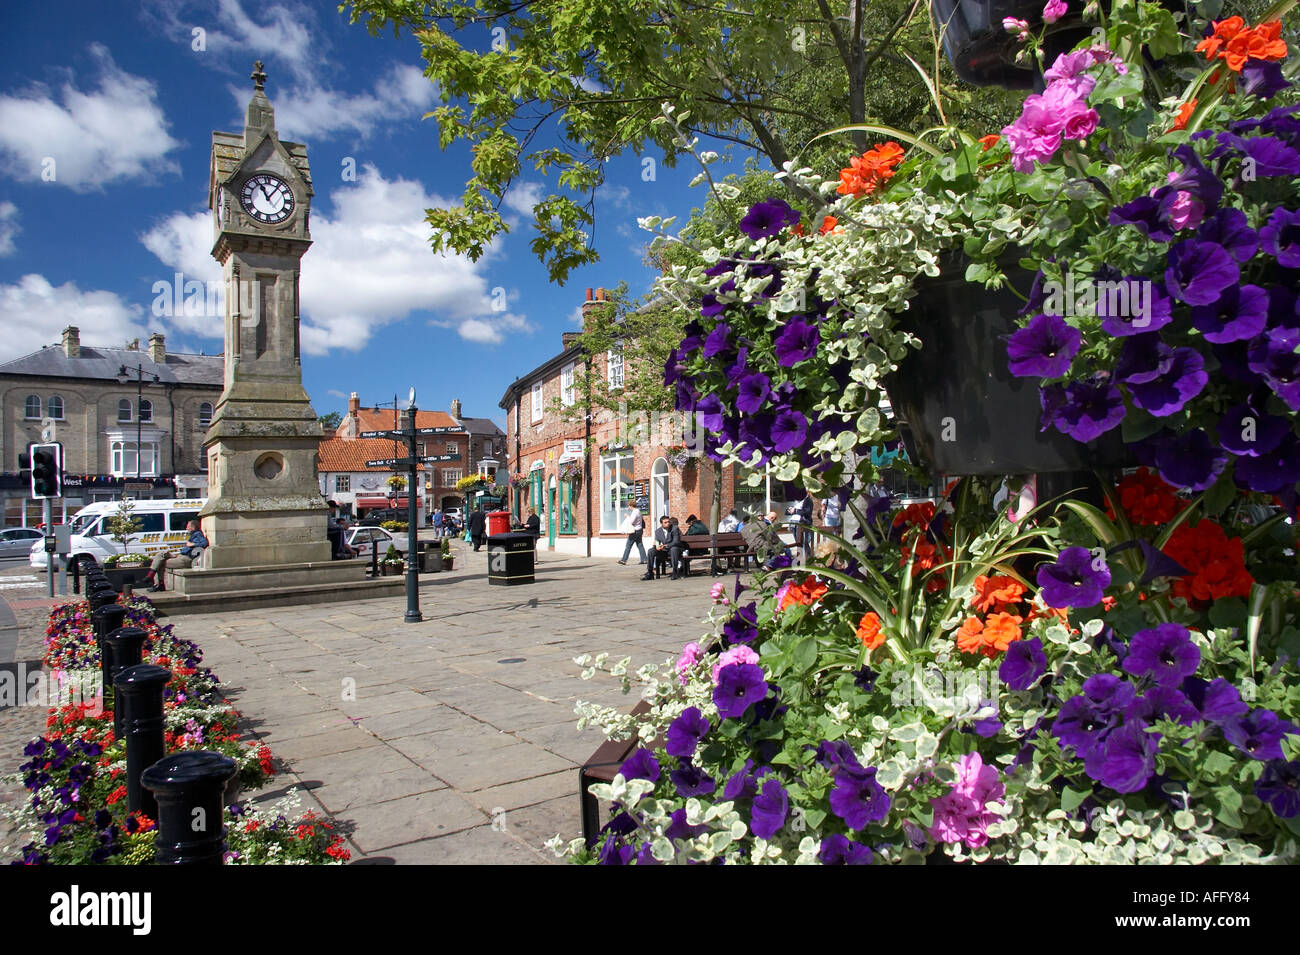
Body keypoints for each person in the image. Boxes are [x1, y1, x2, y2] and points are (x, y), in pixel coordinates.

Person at [144, 520, 208, 592]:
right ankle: (152, 577)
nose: (186, 528)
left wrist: (193, 544)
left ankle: (157, 582)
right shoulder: (193, 535)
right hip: (180, 556)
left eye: (187, 527)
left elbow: (205, 543)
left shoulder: (198, 534)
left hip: (185, 559)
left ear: (192, 527)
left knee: (159, 563)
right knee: (161, 554)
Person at [645, 515, 685, 580]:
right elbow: (657, 541)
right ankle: (650, 573)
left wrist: (666, 545)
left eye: (668, 522)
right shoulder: (658, 531)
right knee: (651, 551)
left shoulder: (674, 528)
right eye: (665, 522)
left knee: (674, 549)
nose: (668, 523)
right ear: (661, 523)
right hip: (664, 551)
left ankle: (675, 572)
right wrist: (657, 547)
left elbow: (676, 541)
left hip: (673, 549)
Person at [617, 501, 646, 566]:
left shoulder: (635, 512)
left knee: (628, 546)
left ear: (631, 506)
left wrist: (627, 516)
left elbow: (631, 522)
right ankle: (644, 559)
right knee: (640, 544)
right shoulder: (638, 511)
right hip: (639, 530)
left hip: (635, 531)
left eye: (629, 506)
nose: (628, 507)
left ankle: (624, 560)